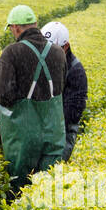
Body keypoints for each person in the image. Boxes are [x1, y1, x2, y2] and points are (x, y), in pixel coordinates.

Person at [0, 4, 67, 195]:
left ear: (16, 27)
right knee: (47, 191)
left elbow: (3, 94)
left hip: (23, 137)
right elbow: (61, 88)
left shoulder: (12, 53)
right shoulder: (58, 53)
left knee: (19, 190)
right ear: (35, 24)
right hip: (54, 134)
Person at [41, 20, 87, 160]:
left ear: (65, 46)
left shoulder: (76, 72)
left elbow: (71, 113)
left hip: (61, 133)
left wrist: (45, 126)